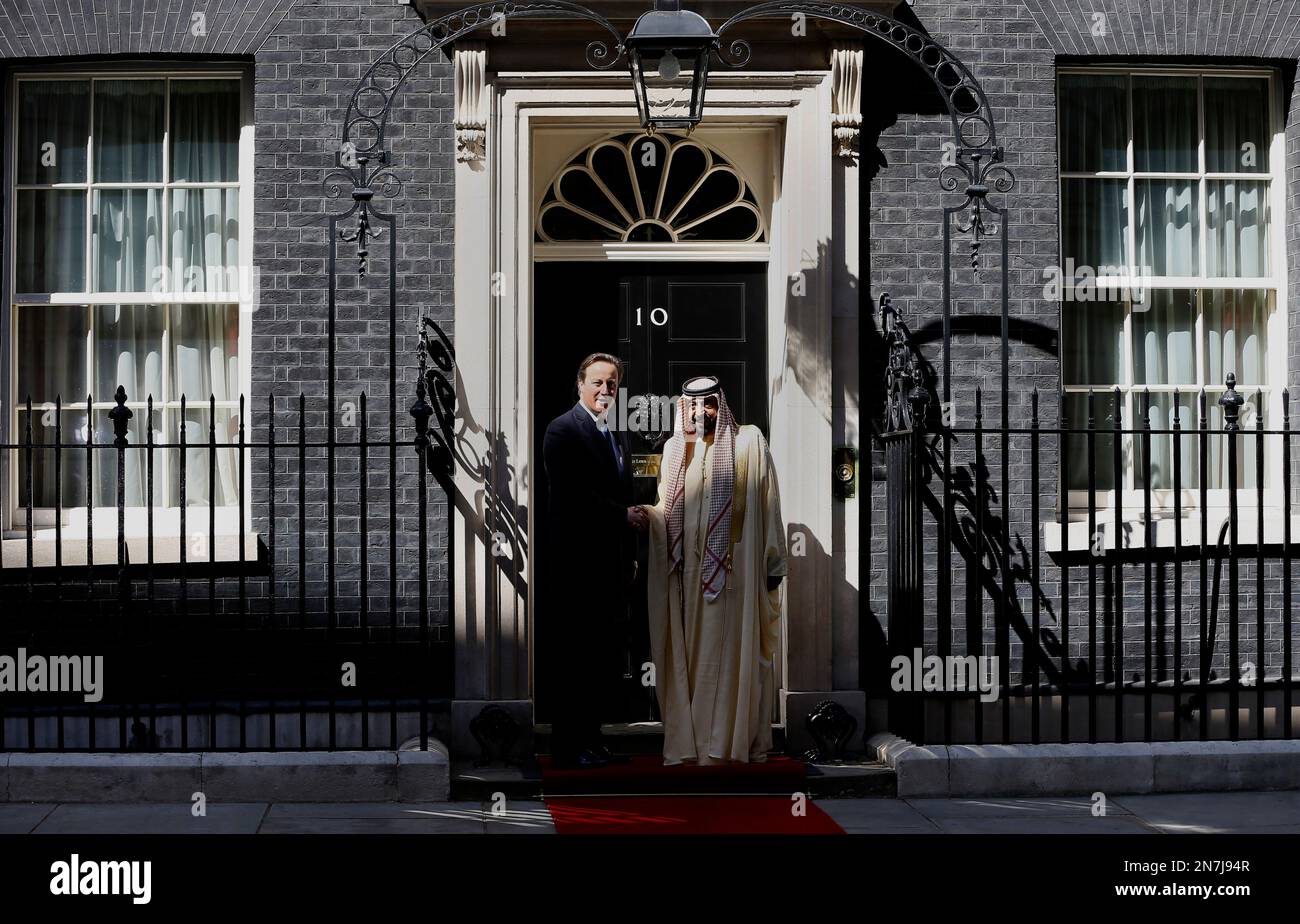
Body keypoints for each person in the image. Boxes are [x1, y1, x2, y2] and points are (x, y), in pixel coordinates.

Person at [642, 376, 787, 765]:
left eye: (708, 404)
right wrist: (649, 517)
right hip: (687, 579)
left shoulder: (748, 442)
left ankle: (727, 744)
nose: (701, 412)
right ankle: (692, 744)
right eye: (693, 405)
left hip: (736, 575)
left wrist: (774, 562)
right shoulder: (675, 450)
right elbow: (667, 511)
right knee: (691, 659)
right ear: (683, 409)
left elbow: (768, 501)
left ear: (719, 406)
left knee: (730, 657)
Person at [542, 352, 647, 769]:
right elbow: (571, 498)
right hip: (576, 567)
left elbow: (621, 491)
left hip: (611, 567)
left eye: (613, 384)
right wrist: (621, 515)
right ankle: (569, 748)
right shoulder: (563, 430)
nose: (606, 390)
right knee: (576, 658)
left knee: (601, 657)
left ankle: (593, 738)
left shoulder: (614, 433)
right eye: (599, 382)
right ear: (580, 384)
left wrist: (630, 551)